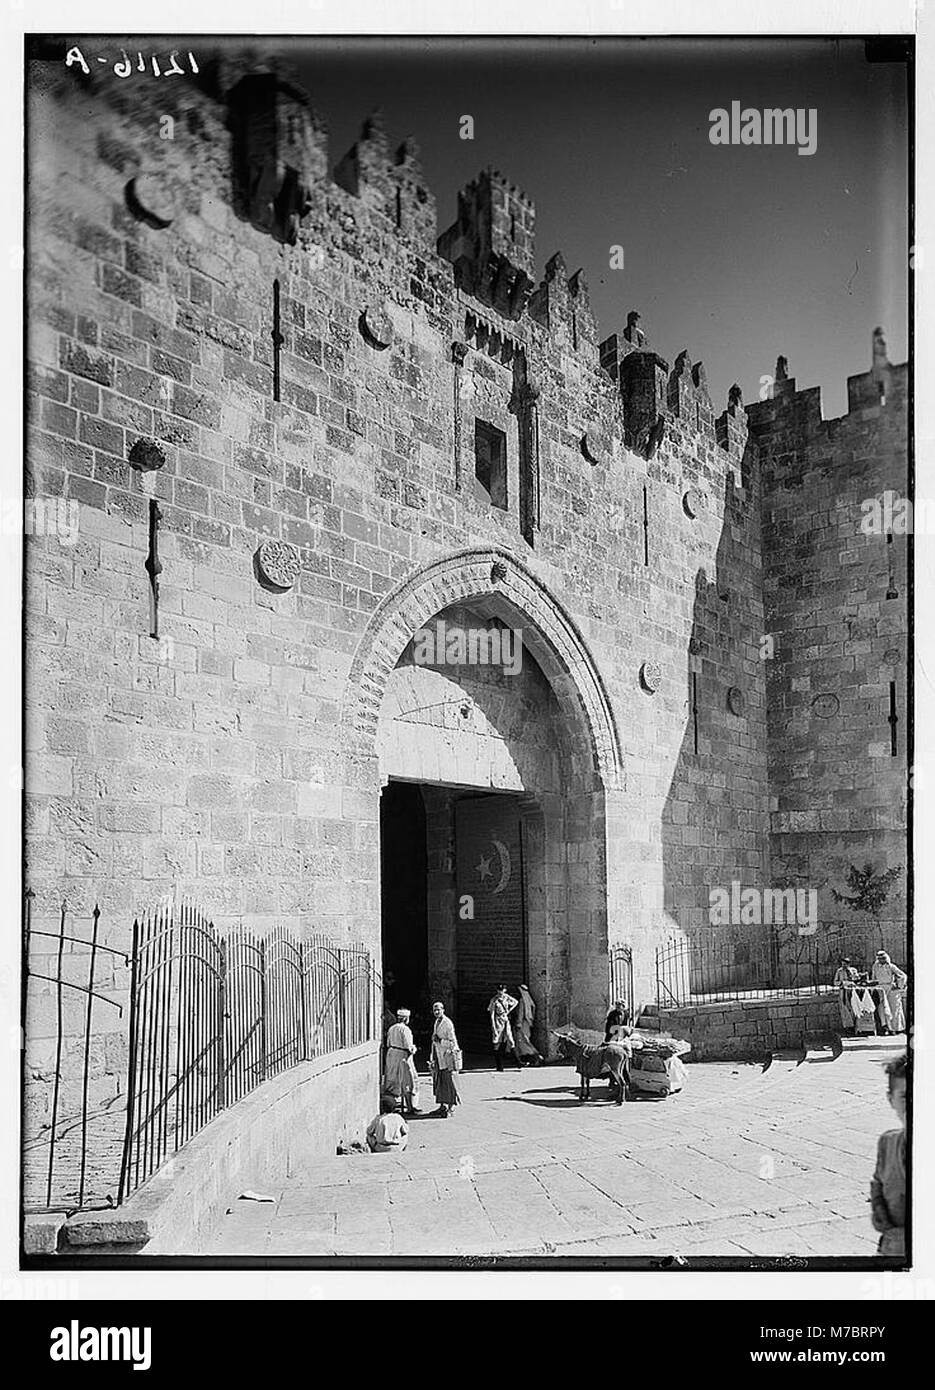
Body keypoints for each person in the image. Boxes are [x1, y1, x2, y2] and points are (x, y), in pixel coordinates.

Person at [869, 1053, 907, 1257]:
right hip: (892, 1250)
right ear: (890, 1100)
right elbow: (877, 1183)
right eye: (904, 1096)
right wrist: (879, 1209)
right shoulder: (887, 1143)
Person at [382, 1008, 421, 1115]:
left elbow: (388, 1042)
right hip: (402, 1055)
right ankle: (410, 1106)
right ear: (406, 1019)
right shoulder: (405, 1030)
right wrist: (414, 1049)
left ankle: (391, 1105)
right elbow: (409, 1046)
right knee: (408, 1080)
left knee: (392, 1079)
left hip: (391, 1054)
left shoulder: (392, 1028)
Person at [430, 1001, 462, 1117]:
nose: (437, 1012)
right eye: (435, 1010)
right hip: (438, 1056)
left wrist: (440, 1041)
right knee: (439, 1081)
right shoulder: (437, 1022)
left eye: (439, 1009)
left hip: (447, 1057)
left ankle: (451, 1107)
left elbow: (453, 1043)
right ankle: (442, 1106)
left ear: (443, 1009)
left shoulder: (447, 1023)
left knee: (450, 1082)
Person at [871, 951, 908, 1035]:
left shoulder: (891, 966)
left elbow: (902, 975)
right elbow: (874, 978)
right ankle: (885, 1028)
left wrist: (898, 986)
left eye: (883, 958)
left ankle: (895, 1029)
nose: (881, 960)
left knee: (893, 1009)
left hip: (891, 990)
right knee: (882, 1010)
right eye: (879, 958)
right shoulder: (875, 966)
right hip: (880, 989)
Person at [488, 985, 522, 1071]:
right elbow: (492, 1014)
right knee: (497, 1043)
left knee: (511, 1040)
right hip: (498, 1021)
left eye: (502, 990)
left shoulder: (507, 998)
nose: (500, 992)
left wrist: (509, 1010)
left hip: (506, 1021)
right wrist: (494, 1027)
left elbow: (515, 1002)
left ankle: (518, 1062)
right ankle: (499, 1065)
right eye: (499, 991)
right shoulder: (494, 1000)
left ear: (505, 990)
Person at [513, 983, 541, 1064]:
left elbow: (521, 1013)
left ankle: (535, 1055)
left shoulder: (522, 1001)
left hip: (523, 1024)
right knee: (526, 1040)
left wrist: (518, 1024)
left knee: (523, 1041)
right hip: (528, 1023)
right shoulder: (529, 1001)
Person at [833, 957, 860, 1033]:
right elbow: (835, 982)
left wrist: (854, 978)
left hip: (852, 990)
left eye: (845, 964)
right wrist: (842, 983)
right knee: (845, 1007)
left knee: (854, 1006)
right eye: (843, 964)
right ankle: (848, 1026)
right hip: (843, 990)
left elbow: (857, 979)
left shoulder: (853, 970)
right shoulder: (839, 971)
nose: (844, 965)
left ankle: (855, 1025)